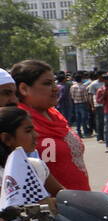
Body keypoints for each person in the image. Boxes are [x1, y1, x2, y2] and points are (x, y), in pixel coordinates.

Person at [12, 59, 91, 192]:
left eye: (54, 82)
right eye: (47, 84)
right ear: (24, 89)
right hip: (54, 206)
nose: (55, 88)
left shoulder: (55, 115)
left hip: (81, 200)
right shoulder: (18, 123)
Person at [0, 106, 64, 208]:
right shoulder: (4, 176)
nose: (36, 135)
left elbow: (63, 196)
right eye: (28, 131)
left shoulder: (35, 166)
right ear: (7, 139)